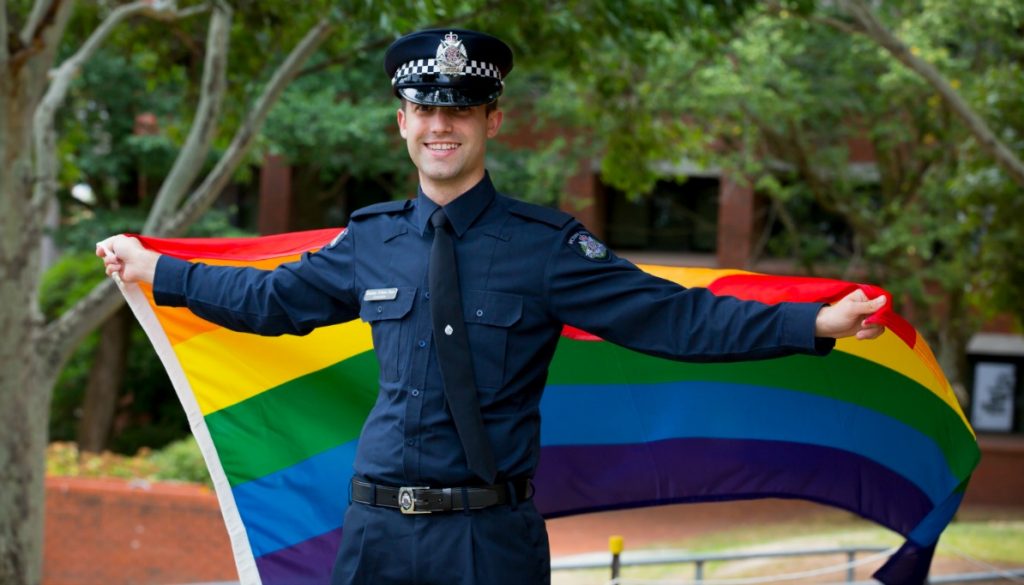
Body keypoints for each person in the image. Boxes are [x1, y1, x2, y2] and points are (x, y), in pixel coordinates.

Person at [98, 28, 886, 585]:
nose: (441, 125)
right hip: (373, 533)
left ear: (491, 121)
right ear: (403, 121)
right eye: (426, 111)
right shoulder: (370, 240)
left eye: (460, 111)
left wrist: (811, 321)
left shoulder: (546, 247)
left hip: (486, 540)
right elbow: (267, 299)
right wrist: (160, 269)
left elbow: (674, 318)